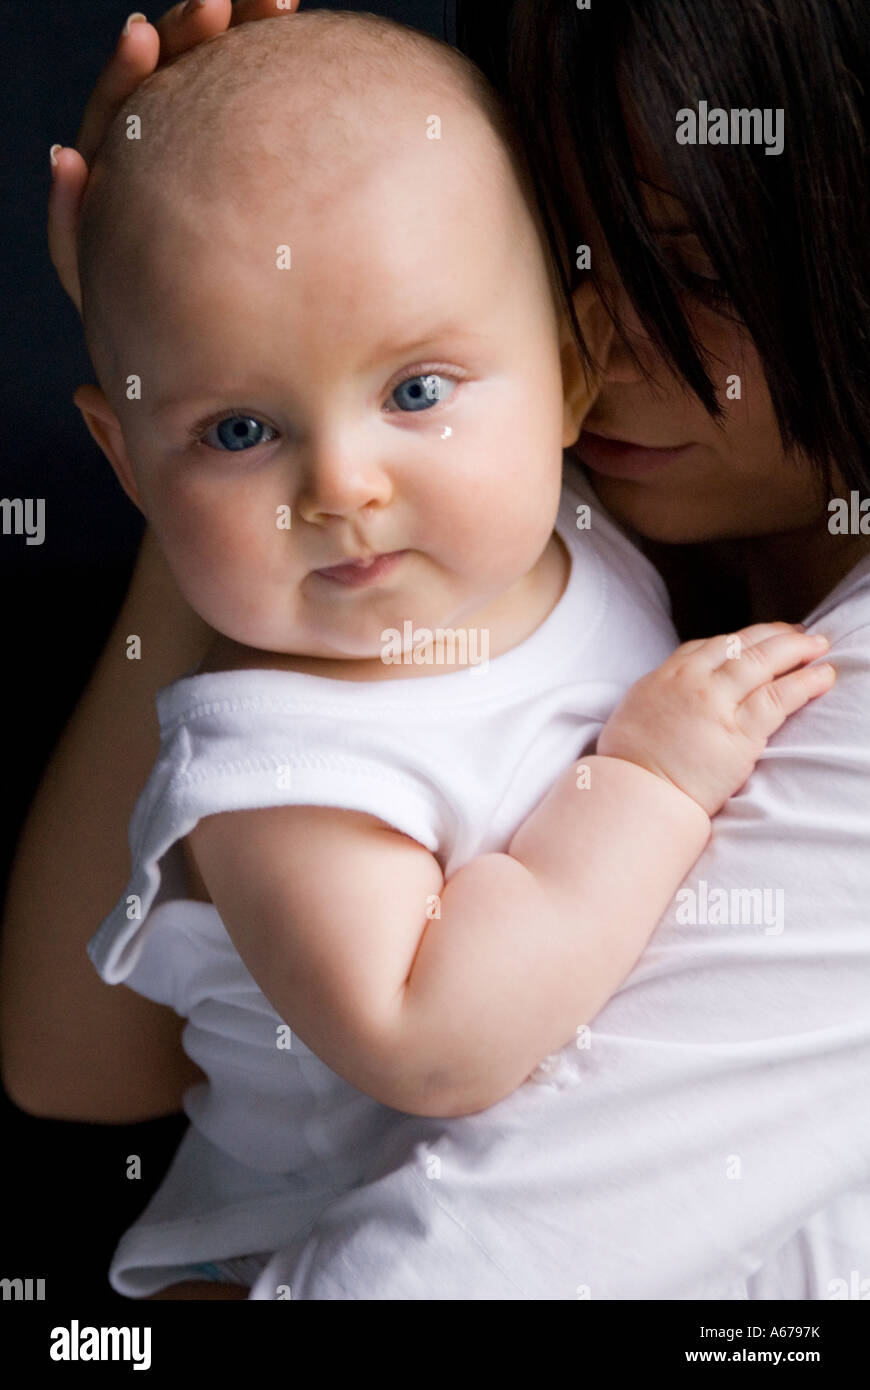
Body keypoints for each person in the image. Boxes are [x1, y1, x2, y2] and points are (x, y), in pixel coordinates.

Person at [3, 0, 868, 1300]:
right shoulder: (500, 524)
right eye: (557, 245)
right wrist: (195, 335)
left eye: (684, 264)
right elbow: (79, 1065)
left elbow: (462, 1258)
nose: (600, 338)